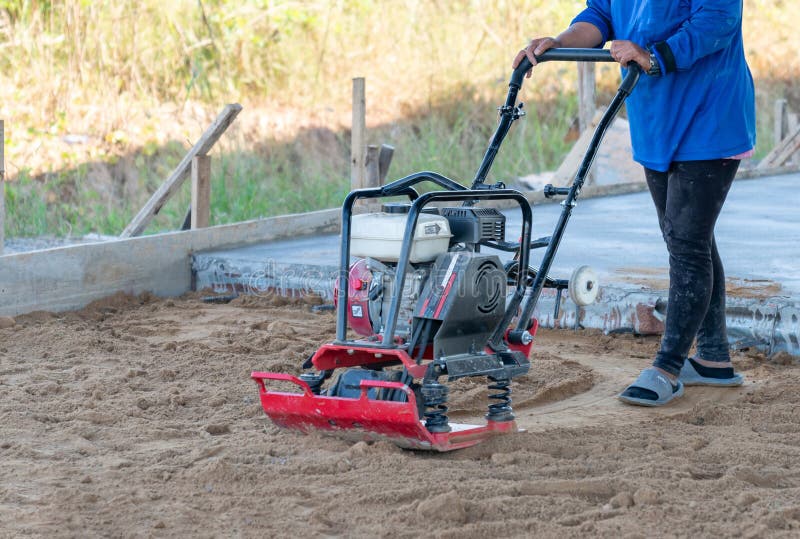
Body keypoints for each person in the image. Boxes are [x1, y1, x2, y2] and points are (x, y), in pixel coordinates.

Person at [513, 0, 755, 406]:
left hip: (709, 113)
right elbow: (600, 15)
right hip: (657, 117)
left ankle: (667, 366)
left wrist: (653, 56)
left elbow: (719, 18)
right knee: (687, 239)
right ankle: (713, 358)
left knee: (687, 242)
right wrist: (559, 42)